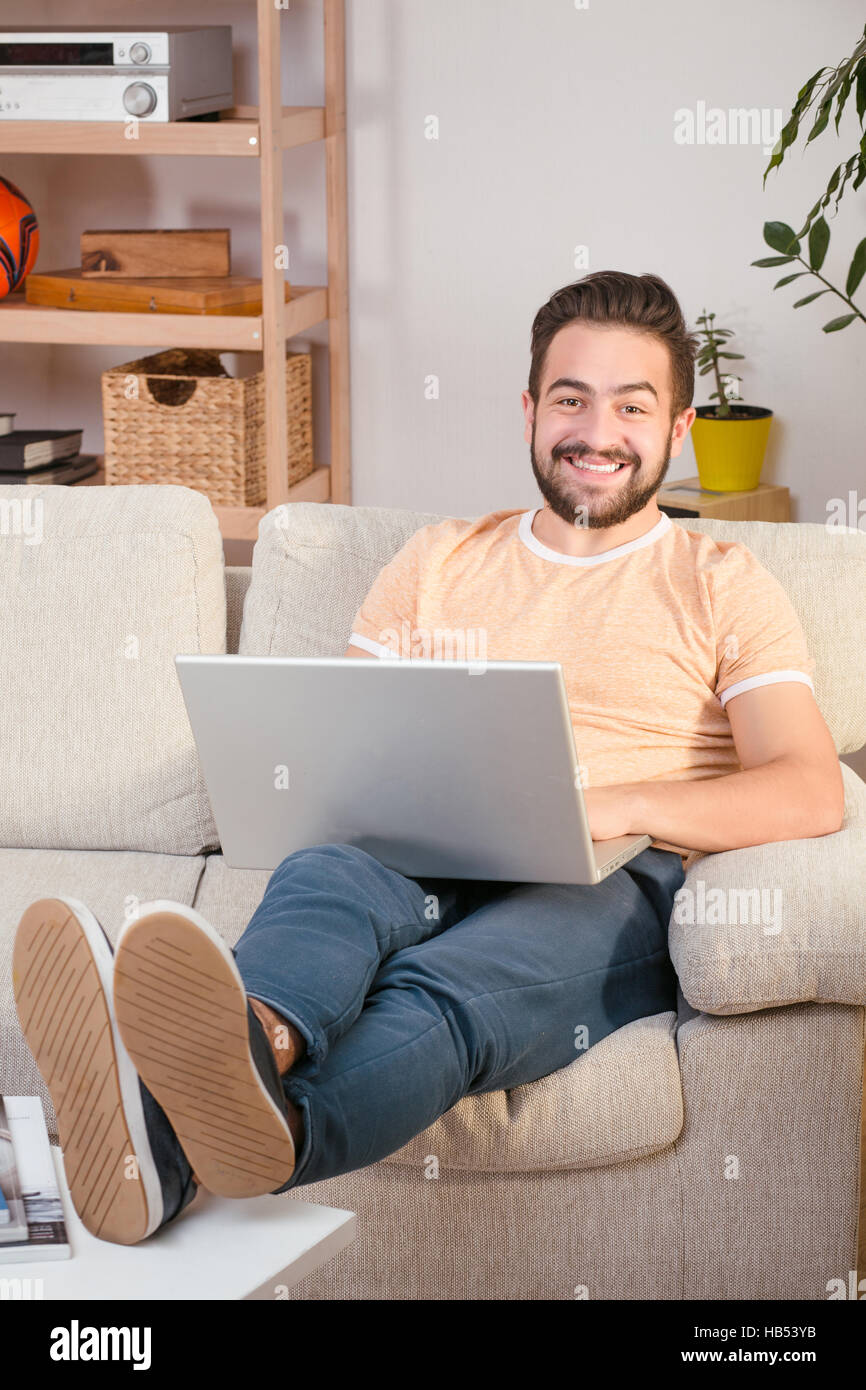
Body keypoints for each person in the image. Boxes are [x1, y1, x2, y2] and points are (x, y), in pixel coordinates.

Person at [12, 270, 843, 1246]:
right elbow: (345, 753)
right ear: (529, 411)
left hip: (607, 876)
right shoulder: (435, 561)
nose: (596, 430)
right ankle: (253, 1042)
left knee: (448, 992)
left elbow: (807, 787)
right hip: (417, 845)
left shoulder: (721, 582)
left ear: (677, 429)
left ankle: (243, 1133)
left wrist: (601, 801)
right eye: (570, 399)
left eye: (631, 404)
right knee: (328, 873)